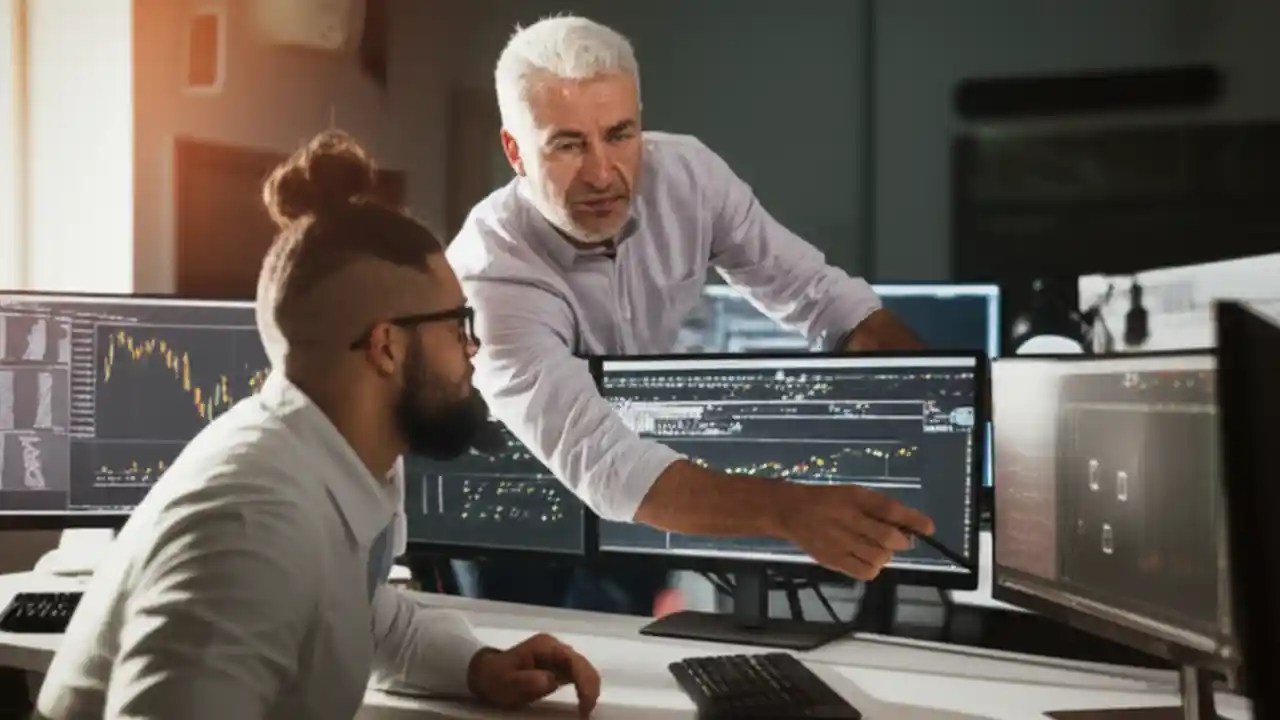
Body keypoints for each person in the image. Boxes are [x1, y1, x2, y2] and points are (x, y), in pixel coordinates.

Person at [35, 131, 600, 720]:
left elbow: (363, 612)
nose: (473, 350)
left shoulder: (346, 458)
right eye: (459, 326)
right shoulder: (254, 526)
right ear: (385, 346)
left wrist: (479, 667)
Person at [446, 14, 935, 586]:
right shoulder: (491, 271)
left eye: (620, 134)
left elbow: (823, 300)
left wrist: (948, 410)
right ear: (515, 151)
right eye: (568, 145)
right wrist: (789, 510)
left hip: (646, 474)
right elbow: (601, 460)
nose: (603, 173)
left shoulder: (688, 178)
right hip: (516, 506)